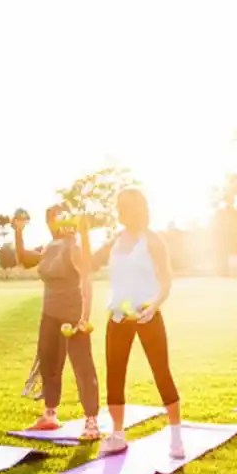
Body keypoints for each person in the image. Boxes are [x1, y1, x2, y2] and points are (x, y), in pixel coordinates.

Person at [91, 187, 184, 459]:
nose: (123, 212)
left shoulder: (153, 240)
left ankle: (176, 436)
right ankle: (117, 434)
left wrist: (154, 305)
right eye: (120, 206)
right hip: (118, 316)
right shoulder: (114, 240)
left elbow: (166, 279)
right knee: (115, 375)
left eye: (127, 206)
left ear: (140, 209)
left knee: (161, 372)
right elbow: (87, 264)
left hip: (147, 314)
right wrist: (82, 234)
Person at [13, 205, 101, 437]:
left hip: (73, 315)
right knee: (49, 364)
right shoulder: (49, 247)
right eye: (53, 218)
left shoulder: (74, 246)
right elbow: (23, 258)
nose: (57, 222)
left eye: (61, 217)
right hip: (50, 314)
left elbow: (86, 278)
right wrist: (18, 231)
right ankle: (50, 414)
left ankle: (91, 420)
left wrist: (85, 317)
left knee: (82, 367)